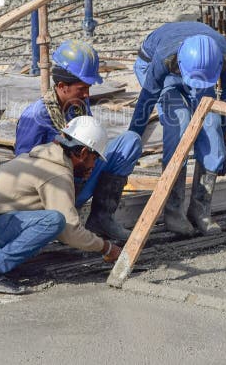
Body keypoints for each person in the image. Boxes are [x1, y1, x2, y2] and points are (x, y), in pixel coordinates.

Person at [0, 116, 122, 294]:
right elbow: (68, 232)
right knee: (53, 221)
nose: (93, 166)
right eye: (94, 159)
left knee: (47, 218)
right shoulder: (56, 173)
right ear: (83, 152)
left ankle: (7, 266)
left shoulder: (44, 157)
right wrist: (106, 247)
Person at [15, 39, 142, 242]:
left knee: (129, 142)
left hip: (81, 179)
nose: (87, 94)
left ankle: (102, 218)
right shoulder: (36, 116)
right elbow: (21, 165)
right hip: (54, 190)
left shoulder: (79, 105)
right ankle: (56, 222)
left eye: (88, 88)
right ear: (63, 86)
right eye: (82, 88)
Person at [129, 22, 226, 237]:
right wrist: (133, 138)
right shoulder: (164, 58)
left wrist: (222, 143)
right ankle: (173, 211)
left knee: (212, 126)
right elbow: (146, 101)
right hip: (153, 65)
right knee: (178, 122)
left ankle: (200, 210)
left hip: (198, 69)